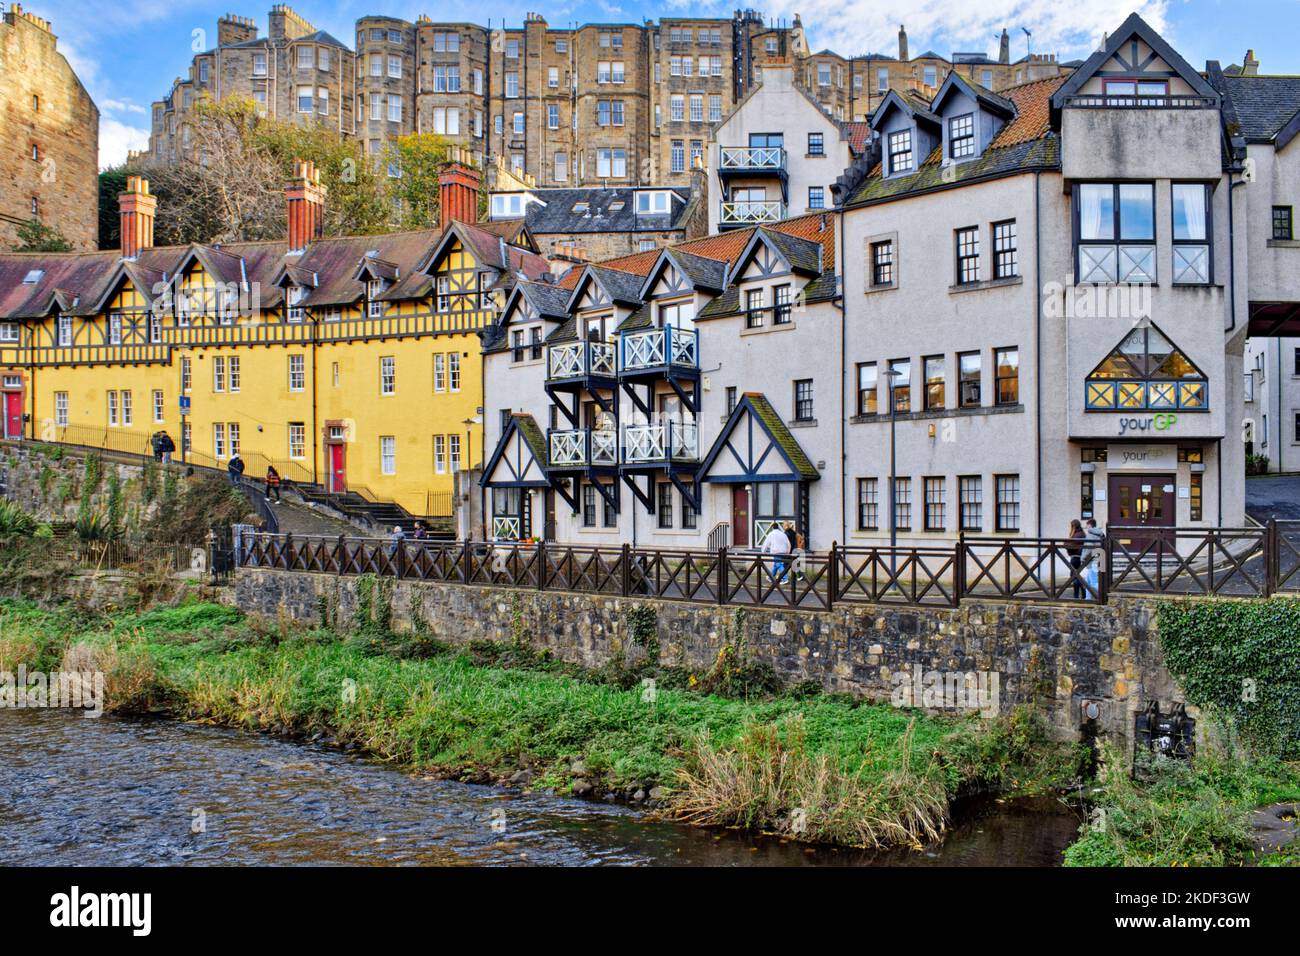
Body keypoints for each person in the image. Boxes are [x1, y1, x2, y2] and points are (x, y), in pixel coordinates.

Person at [1080, 519, 1106, 599]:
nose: (1086, 527)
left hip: (1093, 561)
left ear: (1090, 525)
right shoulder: (1100, 533)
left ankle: (1105, 595)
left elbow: (1089, 548)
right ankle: (1087, 599)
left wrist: (1083, 558)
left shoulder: (1090, 534)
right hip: (1100, 559)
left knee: (1094, 583)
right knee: (1088, 582)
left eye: (1087, 525)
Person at [1066, 519, 1085, 599]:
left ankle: (1076, 595)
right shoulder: (1082, 533)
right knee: (1077, 576)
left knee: (1074, 576)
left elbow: (1070, 545)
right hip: (1079, 557)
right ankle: (1083, 594)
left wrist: (1065, 543)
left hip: (1075, 557)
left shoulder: (1077, 535)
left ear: (1073, 526)